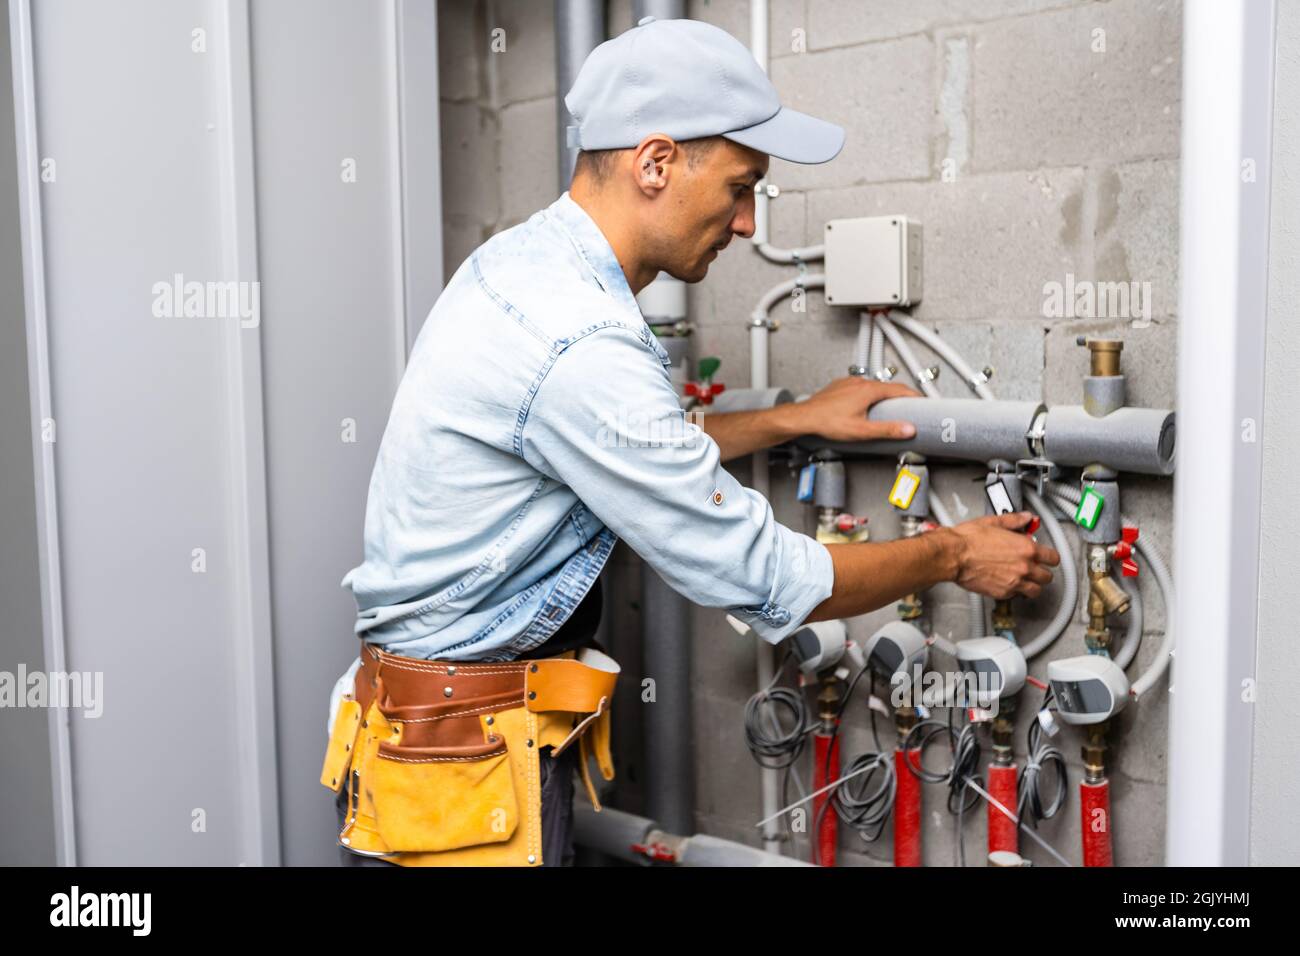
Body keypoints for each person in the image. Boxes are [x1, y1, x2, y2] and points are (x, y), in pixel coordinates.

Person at [323, 15, 1059, 867]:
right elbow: (766, 579)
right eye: (742, 186)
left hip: (439, 745)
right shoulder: (580, 341)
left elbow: (618, 444)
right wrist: (955, 554)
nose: (747, 223)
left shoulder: (520, 264)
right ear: (656, 163)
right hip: (459, 773)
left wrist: (794, 419)